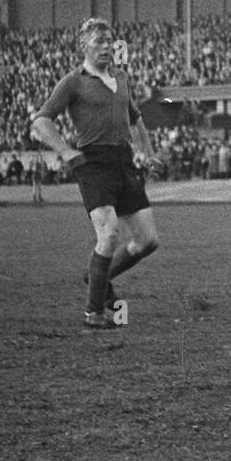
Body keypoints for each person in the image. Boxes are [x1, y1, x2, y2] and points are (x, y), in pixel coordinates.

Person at [32, 18, 162, 330]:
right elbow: (40, 122)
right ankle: (94, 312)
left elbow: (136, 117)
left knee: (148, 241)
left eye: (109, 42)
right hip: (93, 163)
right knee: (109, 233)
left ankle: (96, 276)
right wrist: (65, 151)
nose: (106, 47)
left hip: (124, 161)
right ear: (83, 47)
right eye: (98, 43)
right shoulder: (72, 82)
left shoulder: (122, 77)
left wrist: (148, 150)